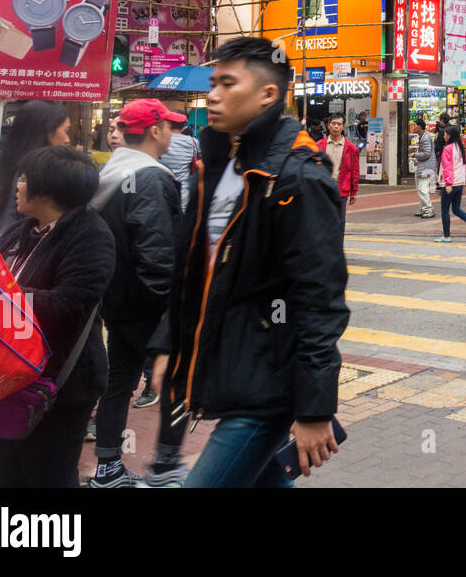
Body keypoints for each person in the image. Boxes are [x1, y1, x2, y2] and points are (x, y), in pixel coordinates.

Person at [148, 36, 349, 487]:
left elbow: (320, 299)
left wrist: (315, 409)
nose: (212, 95)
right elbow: (194, 271)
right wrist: (169, 344)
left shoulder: (299, 178)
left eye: (227, 84)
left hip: (267, 391)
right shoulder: (218, 165)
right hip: (234, 370)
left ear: (267, 95)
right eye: (212, 83)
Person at [0, 146, 113, 488]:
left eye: (25, 179)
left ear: (48, 190)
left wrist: (1, 297)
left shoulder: (91, 236)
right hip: (2, 377)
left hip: (56, 386)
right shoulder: (19, 232)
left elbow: (70, 305)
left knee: (46, 475)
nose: (18, 186)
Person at [88, 99, 187, 488]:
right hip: (149, 307)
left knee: (119, 382)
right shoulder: (150, 177)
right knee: (176, 383)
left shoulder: (111, 173)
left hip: (118, 302)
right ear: (153, 131)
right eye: (169, 126)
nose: (174, 133)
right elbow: (157, 250)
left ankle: (108, 467)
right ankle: (165, 465)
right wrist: (168, 311)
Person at [0, 99, 71, 240]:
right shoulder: (37, 170)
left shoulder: (11, 162)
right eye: (65, 131)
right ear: (47, 130)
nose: (67, 139)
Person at [435, 124, 466, 243]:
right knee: (456, 209)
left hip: (451, 183)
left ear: (450, 136)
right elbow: (463, 166)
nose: (444, 136)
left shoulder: (448, 148)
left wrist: (448, 183)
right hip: (460, 183)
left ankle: (446, 236)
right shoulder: (459, 148)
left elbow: (447, 167)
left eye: (445, 134)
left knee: (445, 210)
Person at [318, 112, 359, 223]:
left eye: (339, 124)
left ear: (343, 127)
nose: (336, 126)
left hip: (341, 188)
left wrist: (353, 192)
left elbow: (355, 171)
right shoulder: (318, 146)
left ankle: (338, 240)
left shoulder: (351, 148)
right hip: (322, 188)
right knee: (322, 219)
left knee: (339, 220)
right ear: (328, 125)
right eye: (333, 123)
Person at [158, 107, 199, 213]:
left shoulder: (159, 140)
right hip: (183, 190)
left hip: (161, 188)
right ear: (184, 125)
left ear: (168, 123)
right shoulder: (193, 142)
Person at [412, 116, 436, 219]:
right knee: (420, 188)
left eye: (415, 125)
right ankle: (423, 209)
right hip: (424, 166)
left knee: (422, 188)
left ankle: (428, 210)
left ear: (420, 127)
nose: (413, 127)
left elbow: (426, 153)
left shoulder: (425, 138)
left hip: (427, 167)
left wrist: (415, 155)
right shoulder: (423, 137)